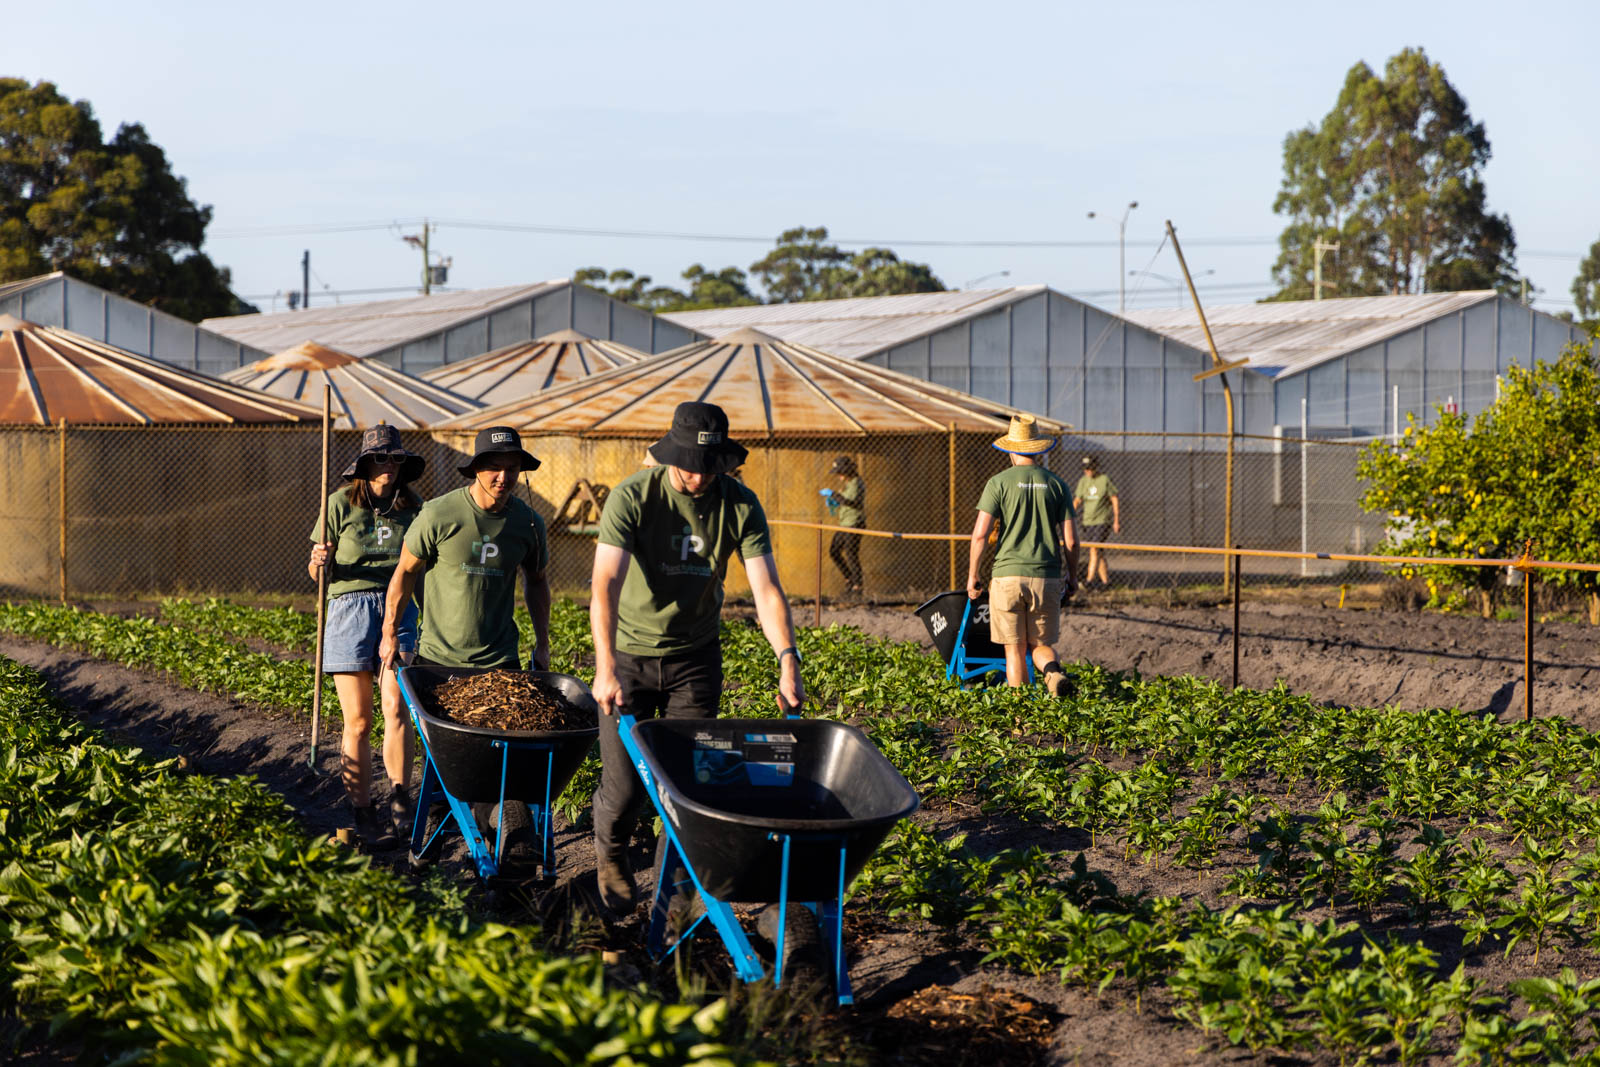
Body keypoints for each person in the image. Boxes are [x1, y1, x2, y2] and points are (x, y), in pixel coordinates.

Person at [589, 401, 805, 914]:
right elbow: (605, 585)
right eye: (689, 463)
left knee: (688, 787)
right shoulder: (633, 497)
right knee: (623, 792)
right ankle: (611, 854)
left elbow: (767, 589)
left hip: (695, 661)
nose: (699, 475)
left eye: (710, 466)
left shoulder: (740, 503)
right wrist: (605, 666)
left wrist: (788, 659)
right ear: (669, 454)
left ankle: (674, 892)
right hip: (629, 658)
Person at [381, 426, 551, 863]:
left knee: (498, 760)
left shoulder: (528, 524)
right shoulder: (439, 514)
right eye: (494, 467)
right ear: (476, 469)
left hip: (501, 664)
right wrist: (389, 635)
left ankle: (499, 827)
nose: (503, 476)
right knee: (449, 762)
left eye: (512, 468)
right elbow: (404, 574)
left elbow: (537, 583)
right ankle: (474, 821)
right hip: (440, 662)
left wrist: (543, 642)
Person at [308, 425, 426, 850]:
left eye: (395, 459)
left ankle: (399, 799)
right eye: (380, 459)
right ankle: (363, 811)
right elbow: (316, 572)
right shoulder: (338, 505)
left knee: (396, 706)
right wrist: (319, 561)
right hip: (349, 609)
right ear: (364, 465)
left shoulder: (415, 509)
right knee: (358, 720)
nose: (388, 467)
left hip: (401, 608)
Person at [967, 414, 1078, 696]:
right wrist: (1073, 576)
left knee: (1014, 651)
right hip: (1046, 576)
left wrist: (973, 576)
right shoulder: (1057, 484)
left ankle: (1021, 720)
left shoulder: (998, 483)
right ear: (1038, 449)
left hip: (1007, 576)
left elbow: (980, 534)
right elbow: (1072, 541)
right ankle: (1052, 674)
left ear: (1011, 450)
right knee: (1039, 644)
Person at [1073, 455, 1121, 589]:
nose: (1087, 471)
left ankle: (1088, 581)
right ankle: (1106, 582)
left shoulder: (1104, 480)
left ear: (1096, 467)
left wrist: (1116, 520)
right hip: (1087, 522)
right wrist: (1069, 517)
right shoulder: (1083, 481)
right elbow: (1077, 500)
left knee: (1094, 549)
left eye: (1090, 468)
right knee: (1097, 551)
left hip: (1102, 521)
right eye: (1085, 469)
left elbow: (1114, 498)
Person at [822, 455, 865, 595]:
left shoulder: (857, 483)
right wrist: (834, 501)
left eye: (840, 472)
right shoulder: (848, 485)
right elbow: (843, 499)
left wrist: (834, 495)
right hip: (844, 523)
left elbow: (851, 501)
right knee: (834, 551)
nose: (838, 475)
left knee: (851, 553)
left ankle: (857, 586)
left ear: (847, 471)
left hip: (854, 523)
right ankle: (849, 578)